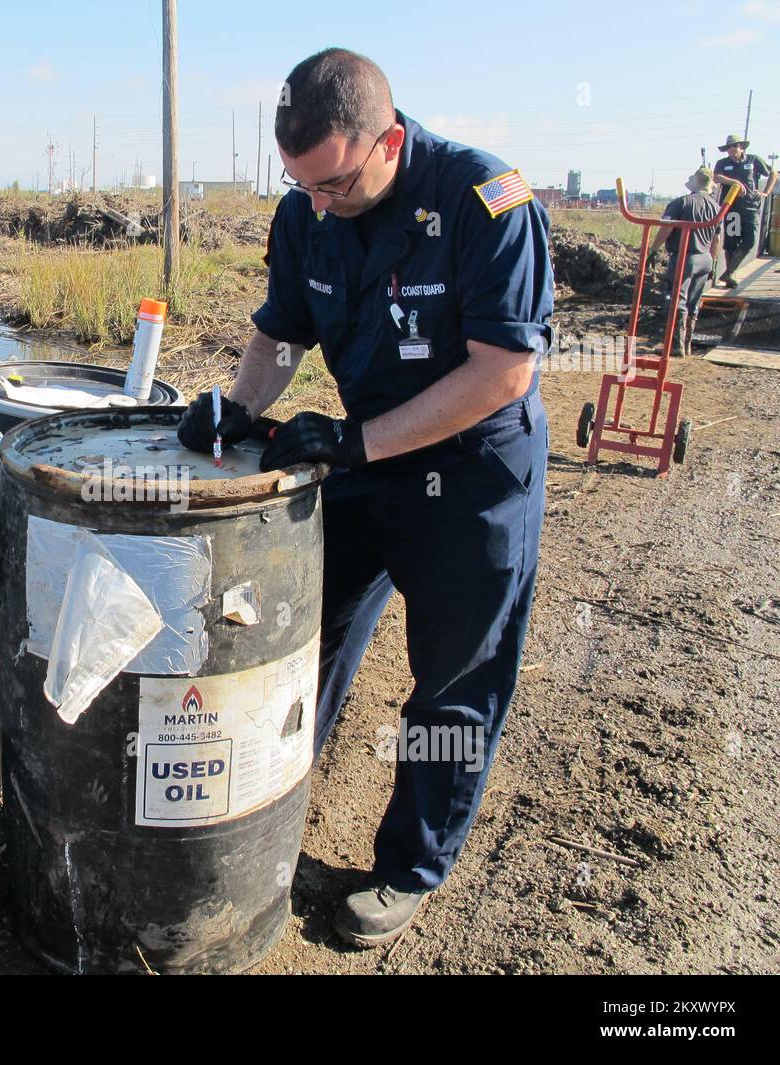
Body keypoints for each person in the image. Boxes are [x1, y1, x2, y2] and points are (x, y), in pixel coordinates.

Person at [177, 49, 552, 948]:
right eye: (299, 184)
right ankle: (267, 800)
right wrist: (237, 408)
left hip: (473, 478)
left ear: (389, 140)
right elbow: (279, 333)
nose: (317, 201)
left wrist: (359, 441)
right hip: (367, 456)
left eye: (336, 183)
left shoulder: (486, 201)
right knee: (296, 636)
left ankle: (411, 867)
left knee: (452, 687)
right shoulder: (307, 208)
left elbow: (503, 374)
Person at [649, 167, 719, 357]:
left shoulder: (681, 203)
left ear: (694, 182)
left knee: (677, 300)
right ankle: (687, 345)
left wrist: (653, 250)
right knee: (693, 302)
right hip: (705, 257)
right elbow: (716, 239)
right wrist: (712, 262)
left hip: (684, 258)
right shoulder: (715, 206)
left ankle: (676, 346)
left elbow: (666, 229)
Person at [712, 134, 777, 287]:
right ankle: (731, 275)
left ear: (741, 146)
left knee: (749, 241)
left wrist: (766, 192)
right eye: (729, 146)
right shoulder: (722, 163)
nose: (732, 149)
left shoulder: (753, 160)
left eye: (735, 145)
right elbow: (716, 177)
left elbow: (773, 173)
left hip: (750, 207)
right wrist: (734, 182)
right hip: (731, 208)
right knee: (731, 242)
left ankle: (729, 272)